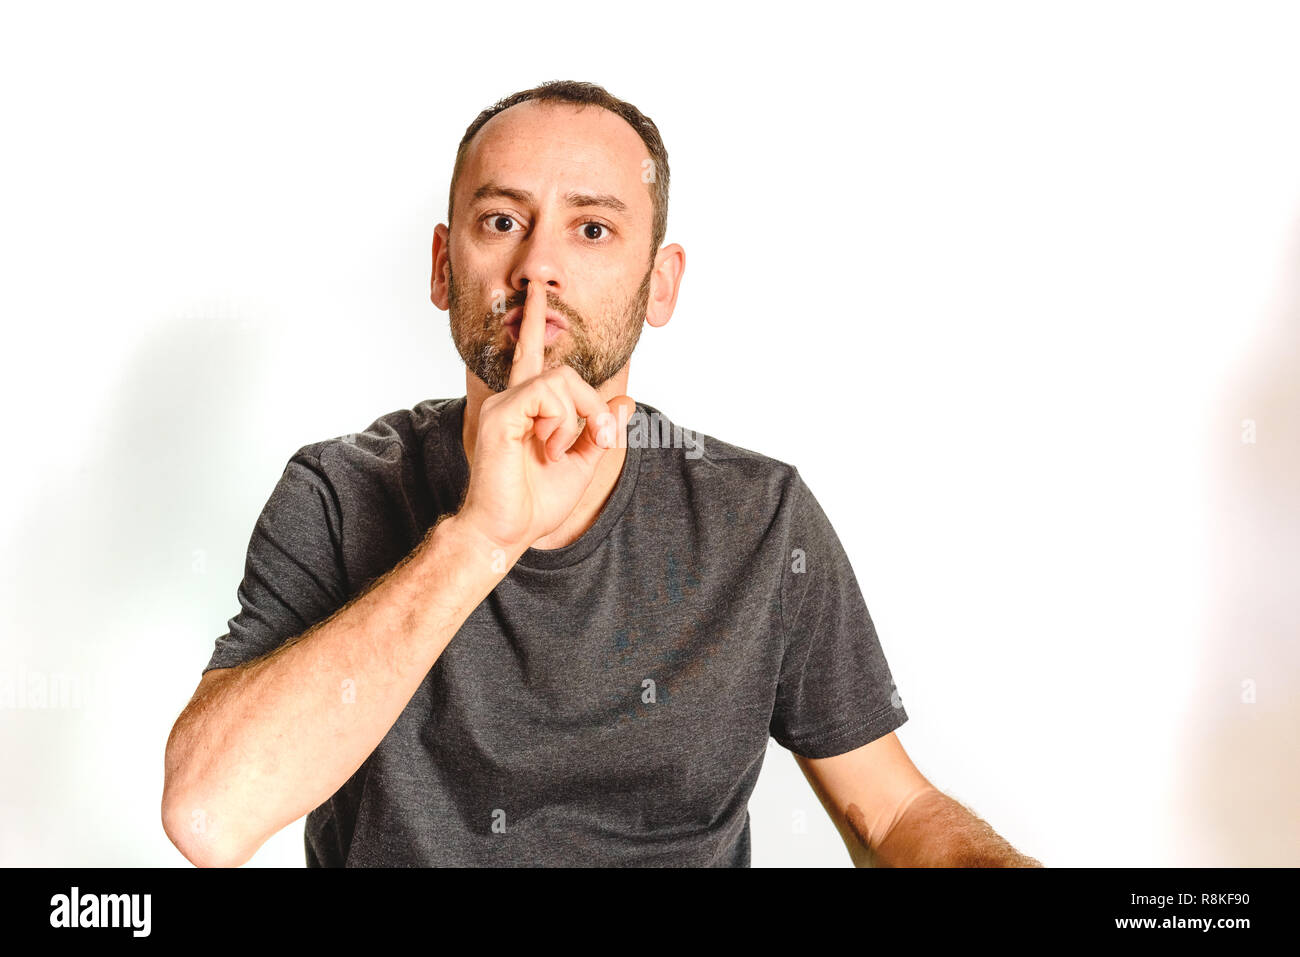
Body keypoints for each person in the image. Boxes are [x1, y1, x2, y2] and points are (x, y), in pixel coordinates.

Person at [161, 80, 1042, 868]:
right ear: (442, 266)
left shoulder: (758, 519)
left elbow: (891, 813)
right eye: (502, 220)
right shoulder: (339, 494)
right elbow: (209, 816)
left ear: (661, 285)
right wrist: (482, 538)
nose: (537, 265)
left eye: (592, 228)